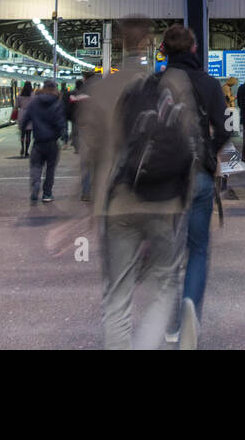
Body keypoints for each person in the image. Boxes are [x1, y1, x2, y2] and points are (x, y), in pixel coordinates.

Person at [80, 18, 201, 350]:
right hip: (164, 202)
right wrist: (184, 198)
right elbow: (188, 143)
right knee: (164, 285)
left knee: (117, 297)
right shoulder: (173, 82)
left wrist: (88, 208)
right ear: (150, 42)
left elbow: (87, 153)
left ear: (118, 42)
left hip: (116, 204)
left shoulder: (101, 88)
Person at [159, 25, 231, 348]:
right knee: (198, 248)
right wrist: (211, 149)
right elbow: (228, 126)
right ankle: (190, 307)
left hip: (164, 179)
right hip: (199, 173)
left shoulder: (154, 84)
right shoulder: (209, 83)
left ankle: (173, 324)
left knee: (169, 252)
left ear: (164, 50)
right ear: (193, 49)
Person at [20, 80, 67, 203]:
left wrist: (22, 129)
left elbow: (26, 118)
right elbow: (61, 121)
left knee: (36, 166)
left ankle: (36, 183)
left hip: (38, 142)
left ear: (43, 87)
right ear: (54, 88)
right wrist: (64, 136)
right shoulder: (57, 102)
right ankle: (47, 194)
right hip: (52, 142)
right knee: (50, 169)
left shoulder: (34, 101)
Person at [16, 82, 34, 157]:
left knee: (22, 133)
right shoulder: (33, 95)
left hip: (21, 114)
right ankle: (26, 151)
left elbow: (17, 106)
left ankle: (22, 147)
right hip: (30, 114)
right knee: (28, 134)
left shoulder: (19, 96)